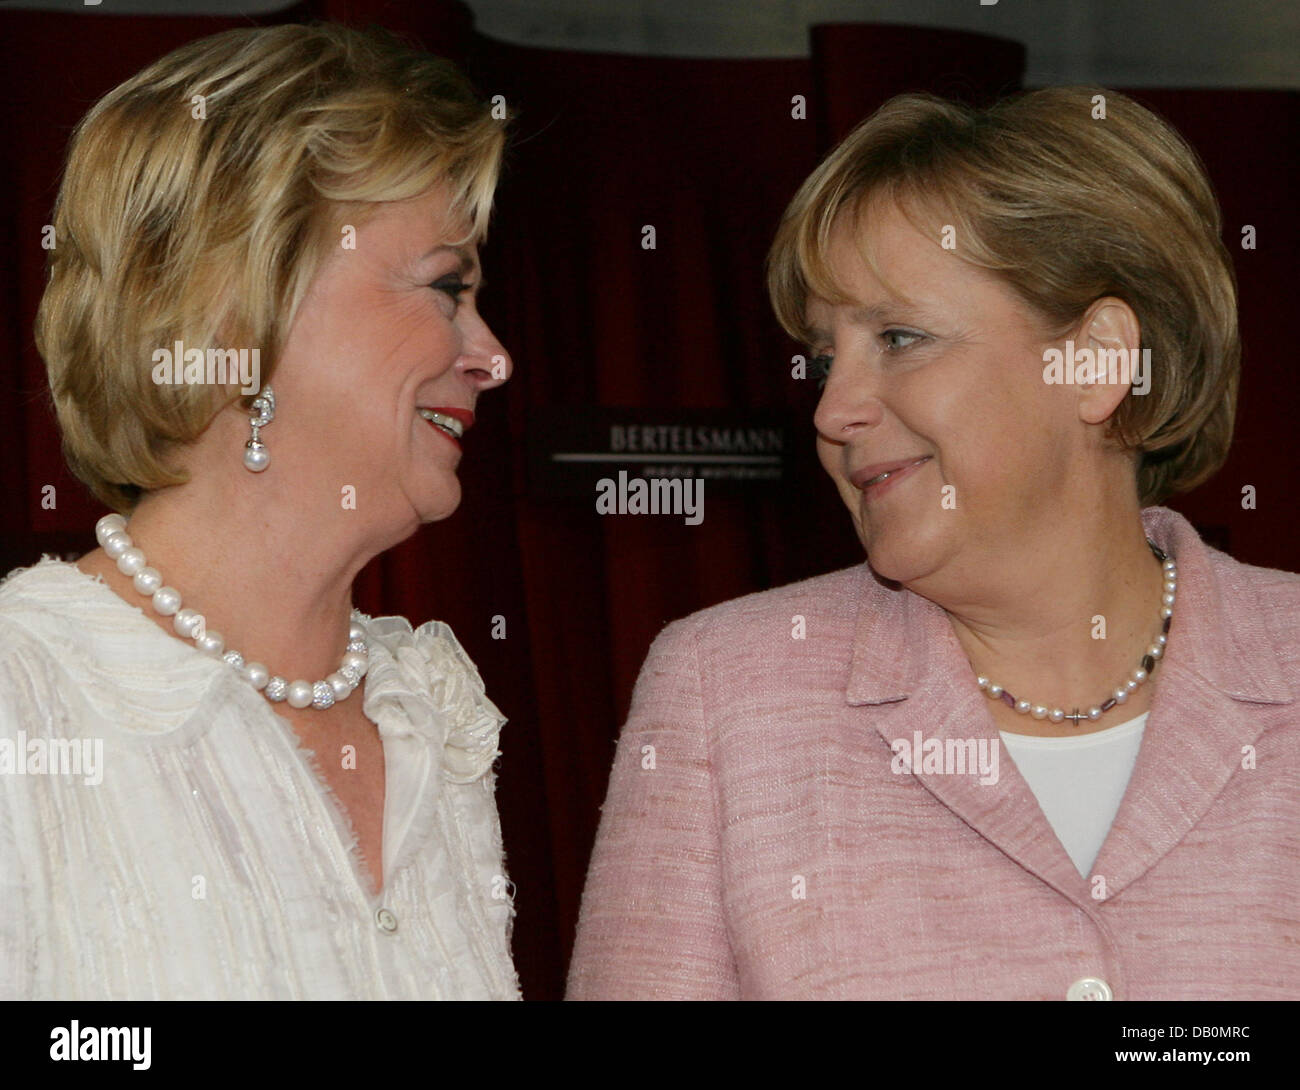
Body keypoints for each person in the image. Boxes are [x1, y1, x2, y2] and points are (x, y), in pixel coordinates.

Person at [566, 86, 1300, 1000]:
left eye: (901, 337)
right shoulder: (727, 697)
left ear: (1099, 362)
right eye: (827, 359)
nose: (833, 411)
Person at [0, 23, 520, 999]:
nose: (492, 356)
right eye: (447, 289)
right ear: (237, 302)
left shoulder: (429, 715)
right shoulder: (23, 705)